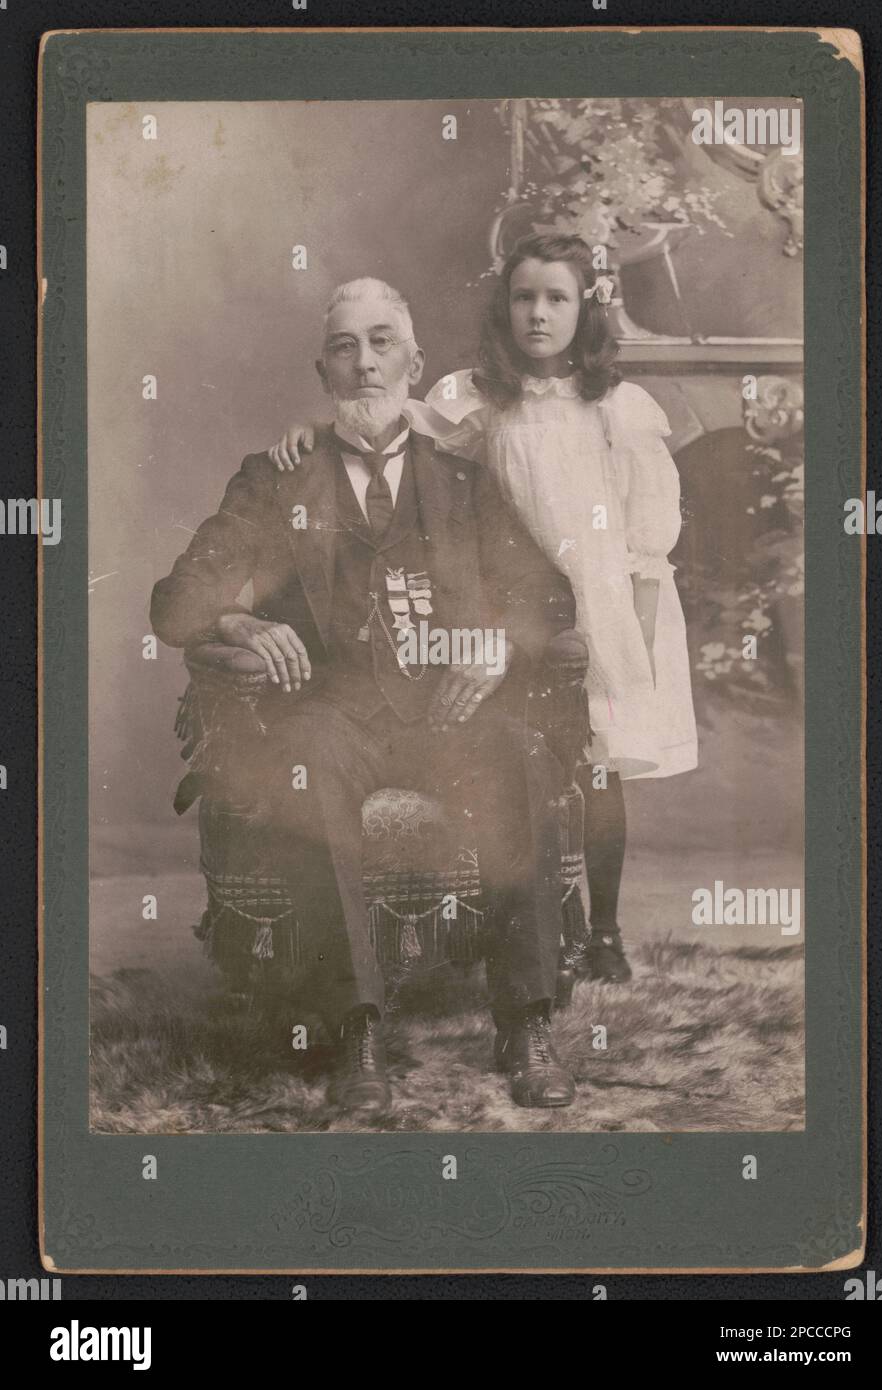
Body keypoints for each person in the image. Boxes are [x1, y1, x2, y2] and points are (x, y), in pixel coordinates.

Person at [151, 277, 581, 1118]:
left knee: (520, 754)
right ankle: (356, 1034)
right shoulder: (275, 478)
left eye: (383, 342)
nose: (365, 363)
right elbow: (175, 605)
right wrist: (237, 625)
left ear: (414, 363)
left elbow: (549, 597)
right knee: (306, 763)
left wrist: (493, 644)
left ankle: (525, 1024)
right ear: (323, 371)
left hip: (446, 714)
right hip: (330, 710)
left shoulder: (463, 481)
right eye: (345, 347)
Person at [269, 234, 699, 986]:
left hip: (603, 602)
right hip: (505, 601)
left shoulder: (618, 409)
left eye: (556, 298)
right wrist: (311, 431)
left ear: (584, 309)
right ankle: (507, 930)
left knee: (600, 767)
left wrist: (632, 640)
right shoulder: (473, 398)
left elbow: (644, 542)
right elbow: (384, 427)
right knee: (528, 760)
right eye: (523, 297)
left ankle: (602, 930)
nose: (537, 314)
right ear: (504, 308)